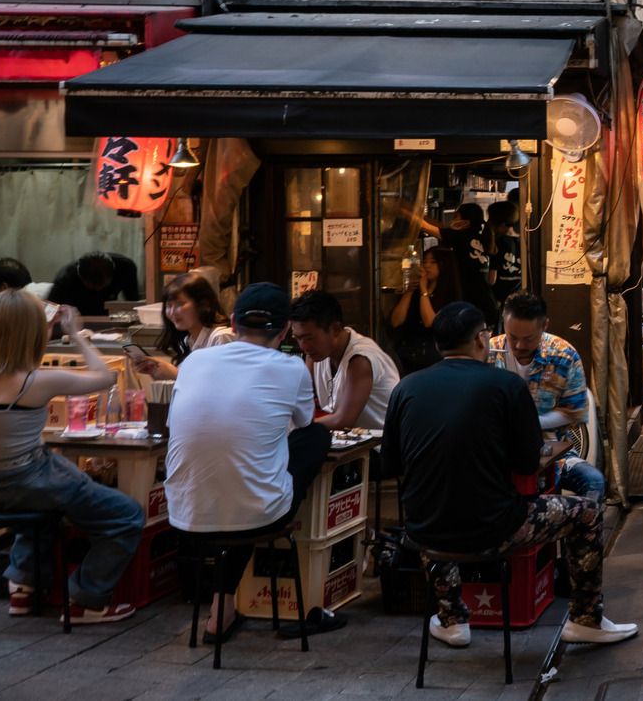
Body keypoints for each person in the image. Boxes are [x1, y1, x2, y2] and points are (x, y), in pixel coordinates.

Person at [379, 302, 636, 648]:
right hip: (496, 528)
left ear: (438, 344)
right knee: (587, 514)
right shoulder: (505, 385)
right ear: (482, 339)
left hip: (425, 532)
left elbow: (390, 465)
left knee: (433, 507)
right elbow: (530, 463)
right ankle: (586, 618)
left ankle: (453, 620)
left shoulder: (405, 389)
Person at [0, 293, 145, 624]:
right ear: (30, 334)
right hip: (27, 482)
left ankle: (23, 587)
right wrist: (76, 334)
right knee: (126, 514)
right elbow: (106, 377)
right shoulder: (36, 381)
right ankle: (86, 599)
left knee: (40, 507)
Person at [166, 282, 334, 642]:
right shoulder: (292, 368)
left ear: (232, 321)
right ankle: (226, 608)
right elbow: (304, 424)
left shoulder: (194, 360)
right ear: (286, 329)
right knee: (316, 438)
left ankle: (220, 609)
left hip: (183, 516)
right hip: (259, 516)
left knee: (236, 488)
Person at [489, 292, 604, 503]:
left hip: (554, 454)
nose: (519, 346)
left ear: (545, 326)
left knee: (593, 481)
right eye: (512, 337)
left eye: (528, 339)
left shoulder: (564, 355)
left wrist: (527, 423)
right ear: (503, 323)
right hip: (495, 455)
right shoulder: (488, 353)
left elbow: (574, 411)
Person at [290, 290, 401, 431]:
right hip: (347, 441)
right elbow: (302, 396)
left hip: (379, 446)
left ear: (335, 329)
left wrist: (292, 427)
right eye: (298, 338)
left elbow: (343, 421)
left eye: (310, 338)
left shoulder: (361, 359)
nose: (304, 346)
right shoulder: (315, 353)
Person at [130, 272, 236, 382]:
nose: (172, 312)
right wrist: (155, 372)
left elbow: (226, 386)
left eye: (180, 304)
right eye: (169, 306)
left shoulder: (221, 337)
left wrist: (176, 374)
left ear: (203, 304)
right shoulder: (187, 341)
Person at [406, 203, 499, 325]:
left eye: (455, 216)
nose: (452, 220)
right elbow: (491, 280)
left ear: (465, 223)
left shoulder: (460, 237)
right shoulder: (481, 239)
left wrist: (404, 209)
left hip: (474, 307)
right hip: (488, 304)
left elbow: (423, 225)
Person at [389, 245, 462, 376]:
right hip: (407, 354)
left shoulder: (449, 296)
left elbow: (430, 322)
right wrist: (409, 292)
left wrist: (424, 291)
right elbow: (395, 321)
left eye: (433, 262)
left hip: (434, 358)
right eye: (425, 261)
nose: (427, 266)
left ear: (445, 266)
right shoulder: (415, 292)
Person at [47, 251, 140, 317]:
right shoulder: (66, 278)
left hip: (108, 317)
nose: (98, 290)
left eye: (103, 286)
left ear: (112, 275)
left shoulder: (125, 268)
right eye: (93, 287)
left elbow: (134, 303)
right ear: (81, 278)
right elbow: (49, 312)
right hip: (79, 318)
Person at [487, 200, 523, 303]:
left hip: (499, 300)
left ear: (501, 224)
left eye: (490, 218)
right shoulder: (523, 242)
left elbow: (491, 280)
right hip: (517, 299)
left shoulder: (497, 244)